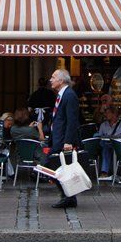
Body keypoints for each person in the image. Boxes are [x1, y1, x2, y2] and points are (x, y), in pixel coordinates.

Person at [48, 68, 81, 209]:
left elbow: (72, 120)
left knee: (56, 166)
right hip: (58, 139)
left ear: (61, 80)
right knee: (54, 167)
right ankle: (68, 196)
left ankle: (69, 197)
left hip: (63, 141)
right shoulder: (62, 95)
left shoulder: (69, 96)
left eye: (53, 77)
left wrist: (68, 141)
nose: (50, 79)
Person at [96, 106, 121, 178]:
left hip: (119, 145)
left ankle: (104, 172)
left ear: (114, 114)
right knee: (104, 147)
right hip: (107, 144)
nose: (106, 115)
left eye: (108, 113)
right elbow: (99, 137)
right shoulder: (103, 125)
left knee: (105, 148)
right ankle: (104, 172)